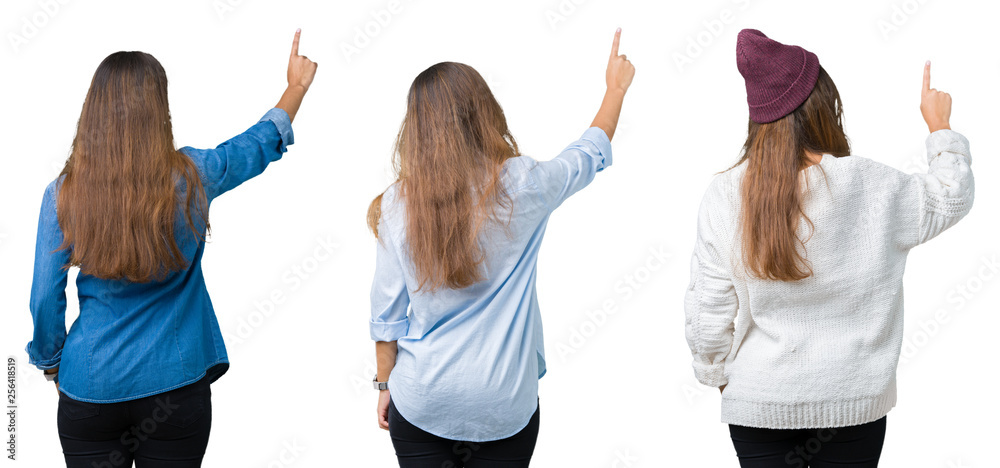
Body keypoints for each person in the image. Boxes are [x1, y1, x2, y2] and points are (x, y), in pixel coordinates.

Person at [26, 30, 317, 467]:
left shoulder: (62, 194)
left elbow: (45, 297)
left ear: (94, 109)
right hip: (175, 389)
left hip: (90, 387)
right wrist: (296, 88)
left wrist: (52, 364)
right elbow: (256, 144)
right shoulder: (194, 174)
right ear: (158, 108)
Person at [684, 29, 974, 467]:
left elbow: (709, 310)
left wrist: (719, 376)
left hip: (758, 405)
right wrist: (940, 127)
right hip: (853, 406)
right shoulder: (870, 185)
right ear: (822, 108)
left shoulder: (726, 194)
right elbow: (950, 196)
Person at [367, 29, 635, 467]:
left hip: (420, 403)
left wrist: (384, 387)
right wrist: (615, 89)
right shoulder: (522, 184)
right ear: (484, 113)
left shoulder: (398, 202)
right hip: (504, 408)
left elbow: (387, 316)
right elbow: (588, 153)